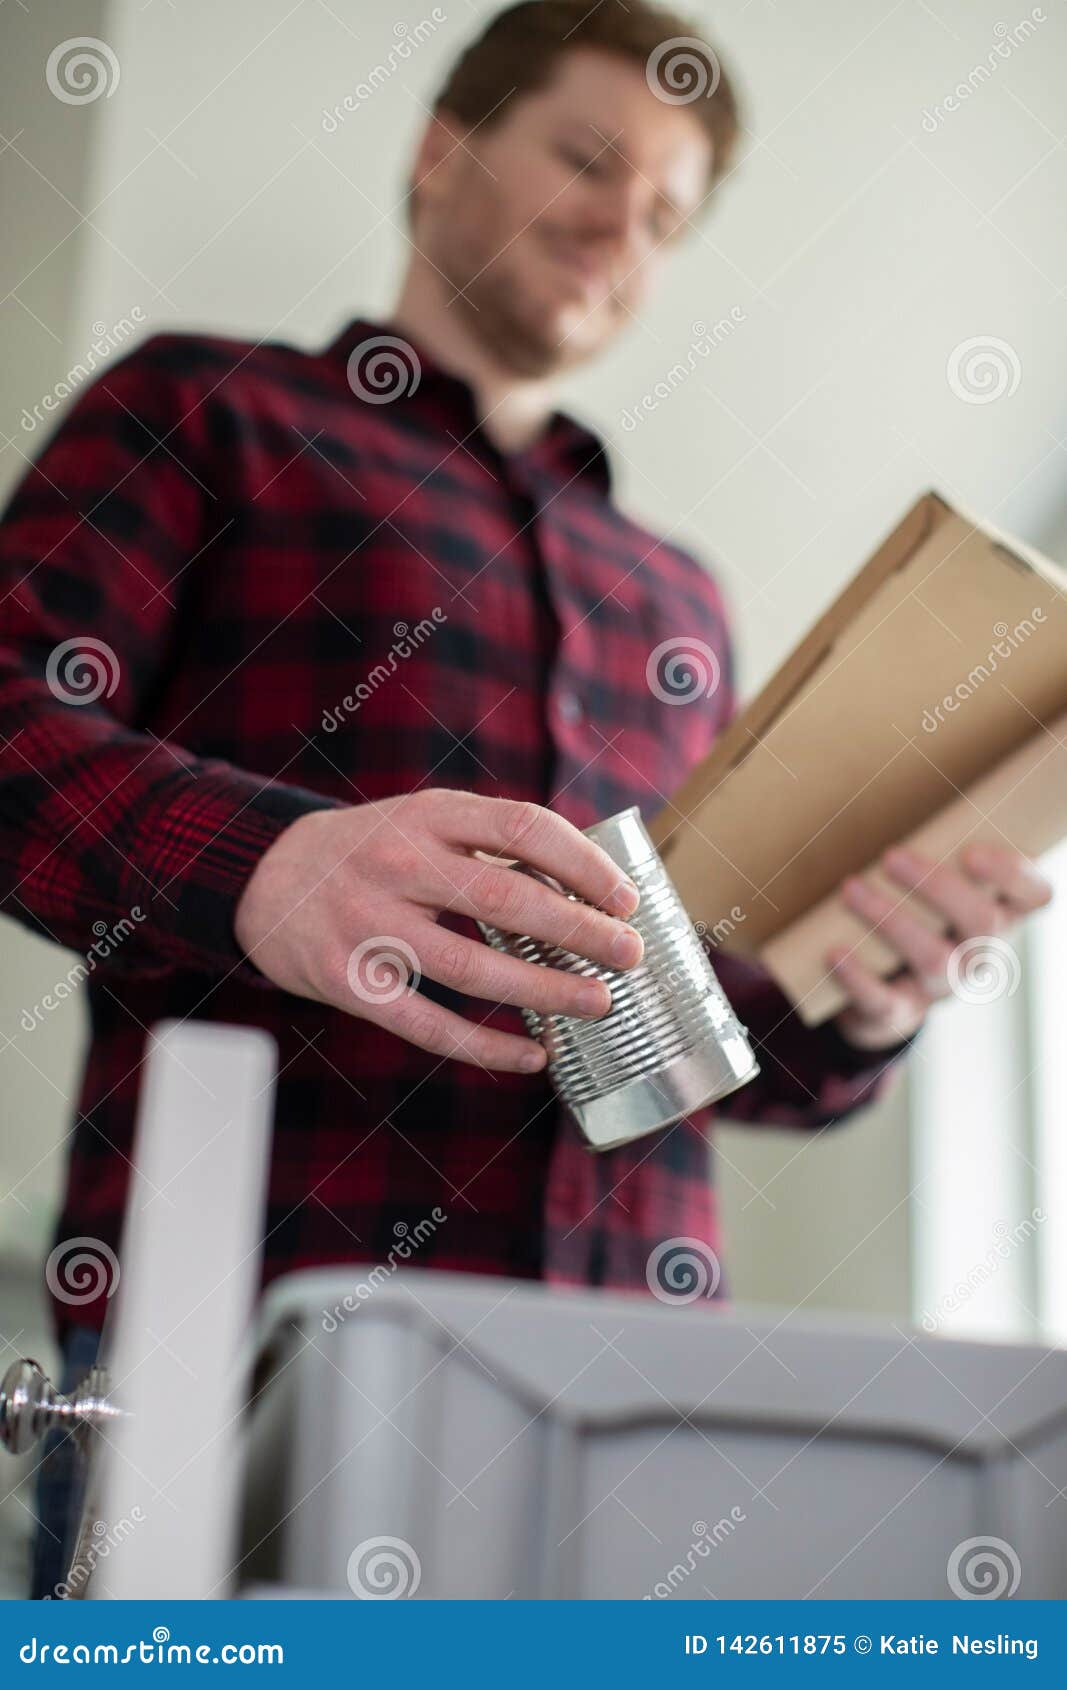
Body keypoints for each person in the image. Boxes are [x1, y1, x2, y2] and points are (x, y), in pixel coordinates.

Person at [0, 0, 1051, 1597]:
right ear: (441, 151)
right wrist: (273, 864)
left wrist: (865, 998)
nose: (621, 223)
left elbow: (689, 1022)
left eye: (669, 213)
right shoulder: (203, 413)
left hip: (631, 1400)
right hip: (232, 1356)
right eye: (588, 156)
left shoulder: (678, 596)